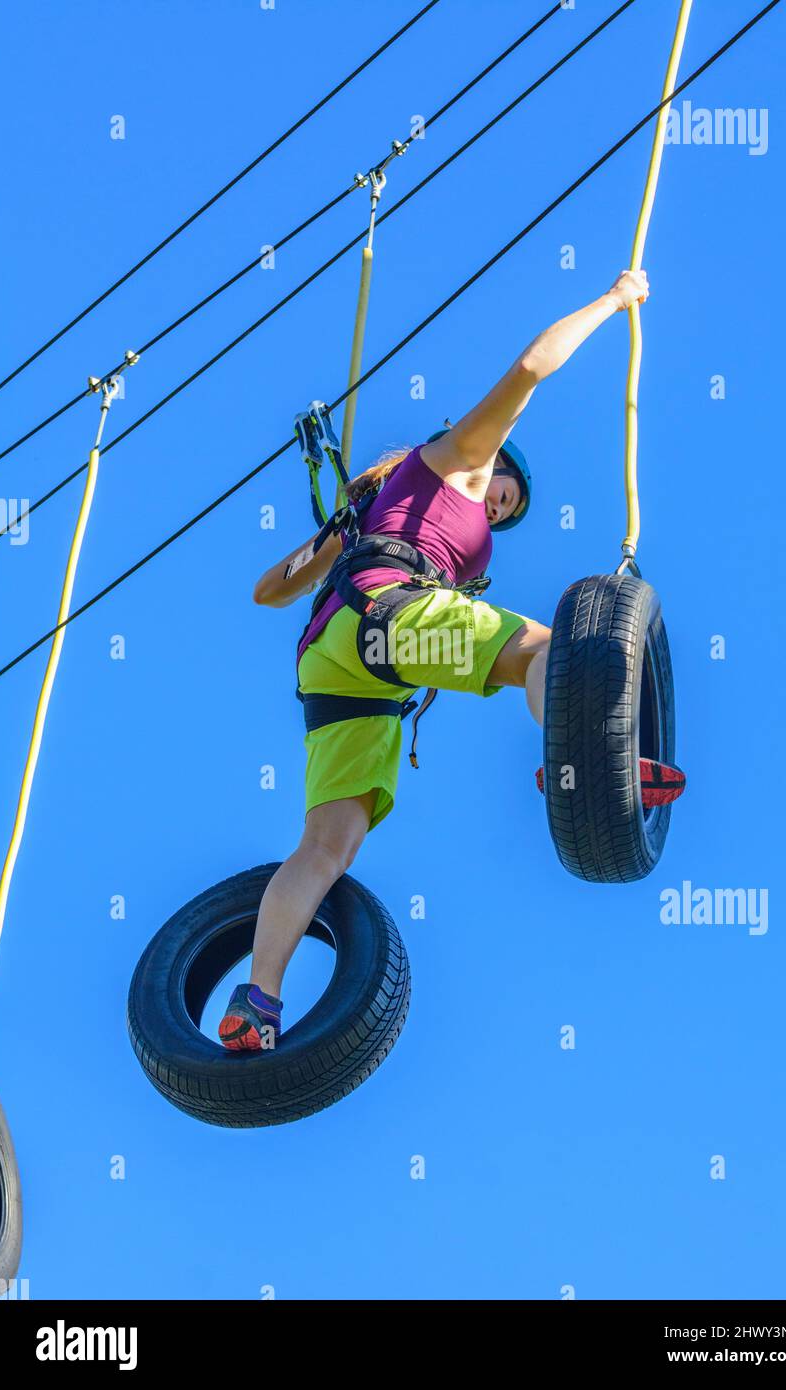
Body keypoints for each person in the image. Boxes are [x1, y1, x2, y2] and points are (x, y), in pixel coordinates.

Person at [218, 268, 650, 1049]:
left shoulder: (368, 516)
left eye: (505, 514)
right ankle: (581, 767)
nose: (497, 506)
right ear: (491, 463)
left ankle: (257, 1003)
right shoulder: (460, 460)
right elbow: (529, 370)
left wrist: (335, 540)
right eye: (502, 495)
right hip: (390, 624)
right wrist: (614, 301)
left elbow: (266, 594)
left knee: (328, 847)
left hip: (341, 665)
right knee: (546, 648)